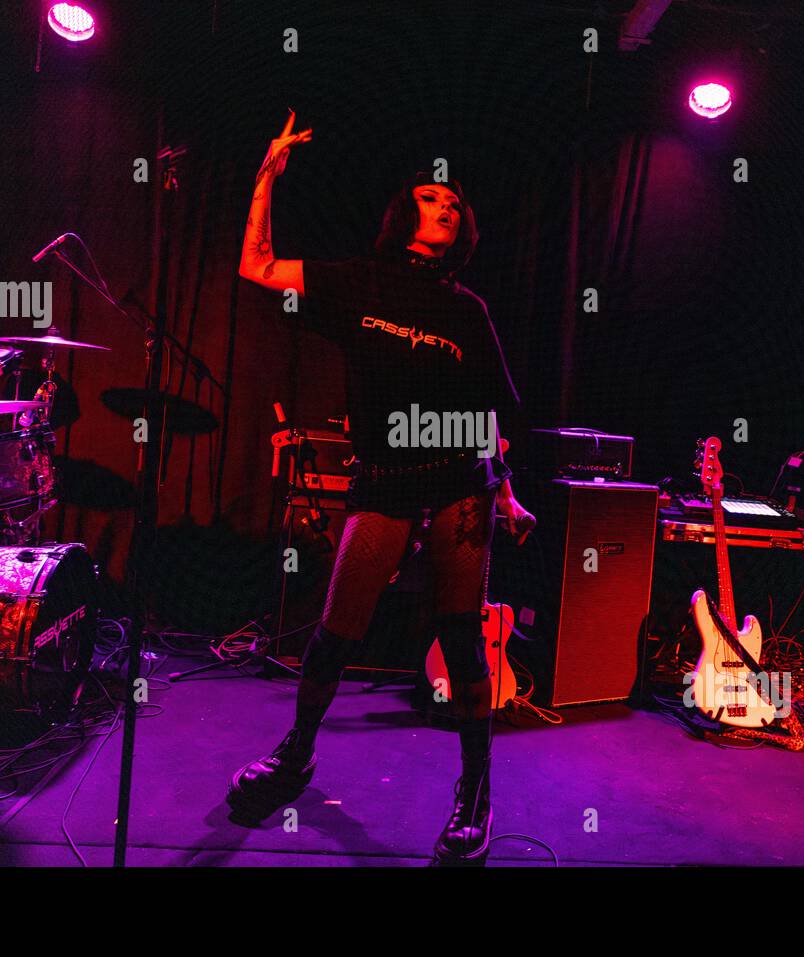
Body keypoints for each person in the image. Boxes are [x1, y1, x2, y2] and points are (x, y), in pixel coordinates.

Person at [230, 111, 536, 866]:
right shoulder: (356, 283)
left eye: (456, 205)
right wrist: (267, 176)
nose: (446, 207)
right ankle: (296, 754)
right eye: (434, 199)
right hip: (386, 482)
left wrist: (504, 493)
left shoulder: (468, 311)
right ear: (406, 213)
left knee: (464, 641)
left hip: (460, 481)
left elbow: (492, 410)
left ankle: (474, 793)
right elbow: (257, 268)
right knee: (335, 634)